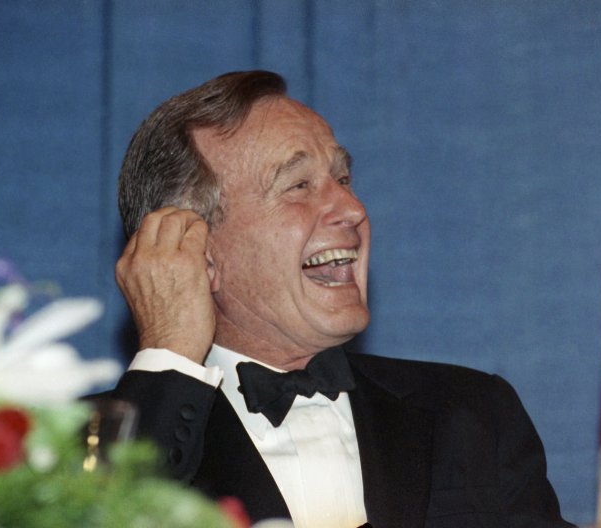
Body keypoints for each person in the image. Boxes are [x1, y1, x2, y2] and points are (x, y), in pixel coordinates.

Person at [106, 70, 573, 528]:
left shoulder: (473, 413)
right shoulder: (67, 450)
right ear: (194, 249)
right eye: (299, 185)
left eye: (343, 179)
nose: (354, 210)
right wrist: (169, 350)